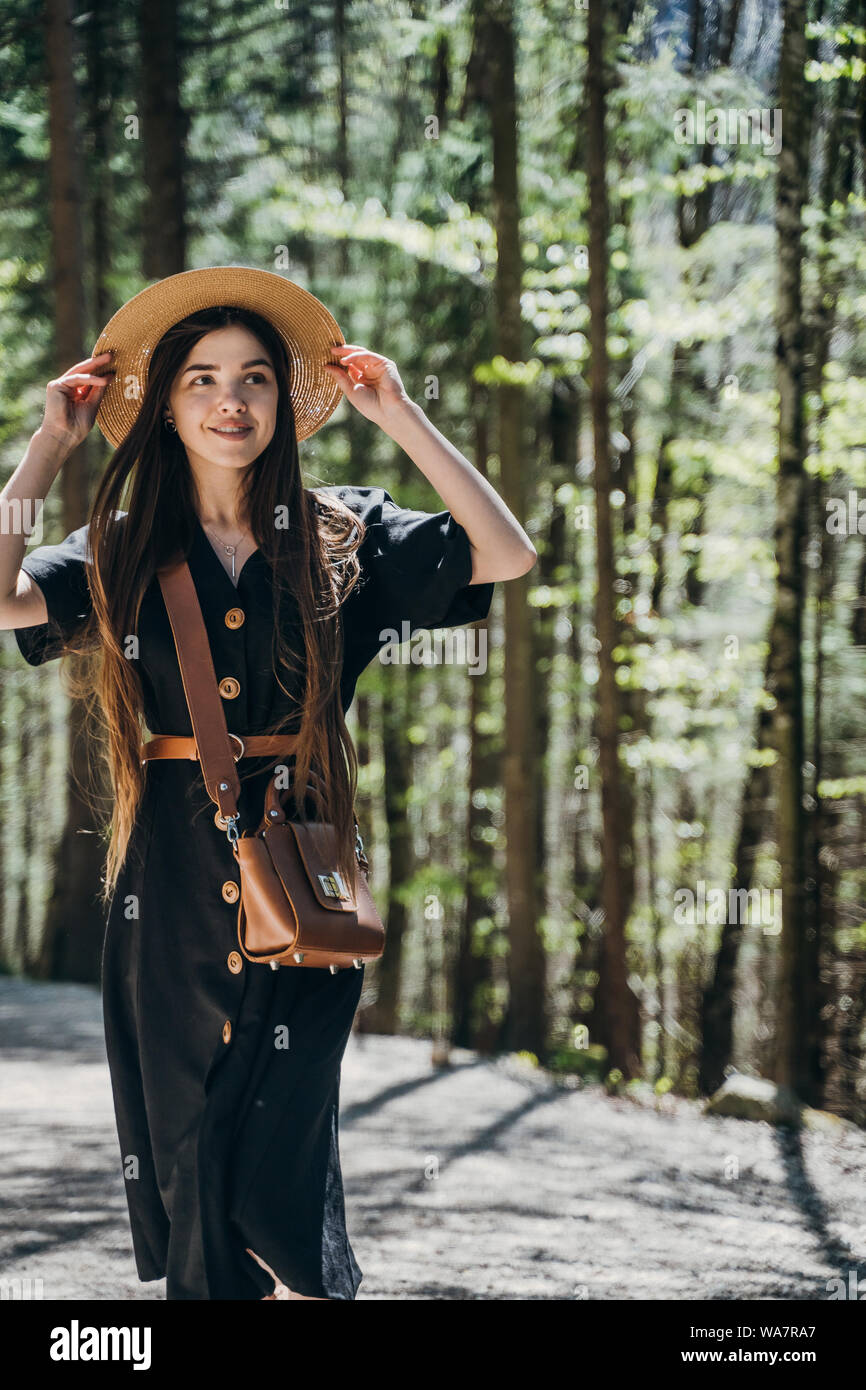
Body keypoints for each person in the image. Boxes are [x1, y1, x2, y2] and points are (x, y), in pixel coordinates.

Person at [0, 265, 537, 1301]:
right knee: (191, 1136)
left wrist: (400, 414)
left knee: (282, 1148)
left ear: (284, 401)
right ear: (165, 405)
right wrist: (49, 446)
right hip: (169, 881)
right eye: (199, 379)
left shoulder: (346, 534)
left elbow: (503, 554)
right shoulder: (123, 545)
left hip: (304, 868)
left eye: (253, 377)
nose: (230, 400)